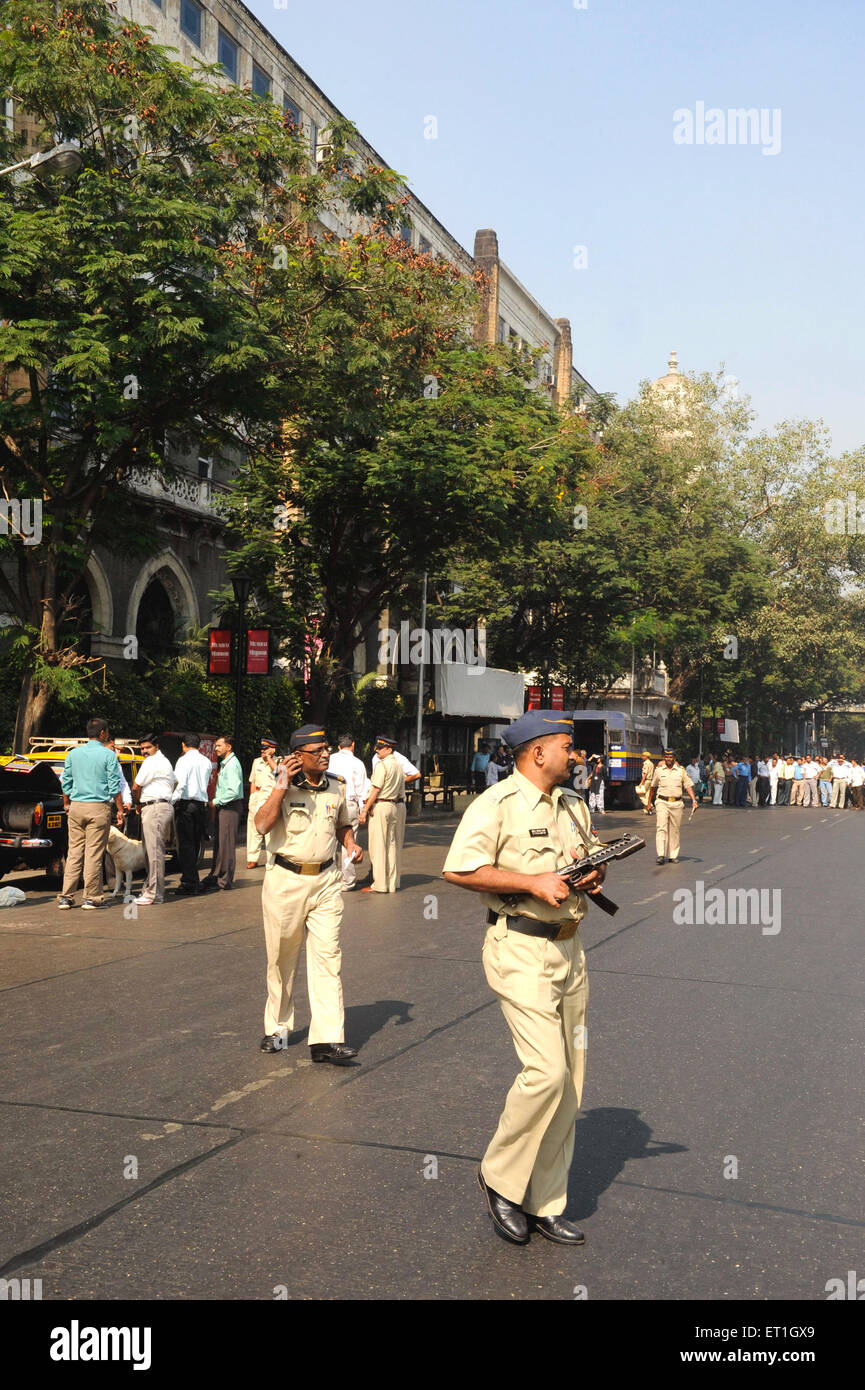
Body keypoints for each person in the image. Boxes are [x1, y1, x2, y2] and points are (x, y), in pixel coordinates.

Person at [442, 710, 608, 1248]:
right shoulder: (497, 804)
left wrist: (593, 873)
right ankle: (500, 1178)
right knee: (547, 1072)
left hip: (569, 950)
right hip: (518, 948)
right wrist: (531, 882)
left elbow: (581, 864)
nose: (573, 752)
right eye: (566, 744)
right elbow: (460, 868)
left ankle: (545, 1201)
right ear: (538, 751)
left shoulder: (575, 805)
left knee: (571, 1084)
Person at [254, 724, 363, 1064]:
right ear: (297, 757)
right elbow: (261, 825)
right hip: (286, 881)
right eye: (317, 751)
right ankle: (279, 1029)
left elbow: (342, 822)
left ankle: (326, 1040)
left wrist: (350, 844)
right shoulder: (278, 786)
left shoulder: (336, 787)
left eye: (327, 748)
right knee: (282, 959)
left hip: (326, 881)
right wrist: (281, 787)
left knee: (329, 958)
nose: (326, 754)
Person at [57, 717, 125, 910]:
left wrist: (67, 804)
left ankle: (66, 897)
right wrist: (120, 810)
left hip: (76, 807)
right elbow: (114, 787)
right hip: (98, 807)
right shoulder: (108, 755)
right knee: (94, 854)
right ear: (102, 733)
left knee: (74, 852)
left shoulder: (73, 754)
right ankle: (91, 897)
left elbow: (66, 782)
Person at [131, 733, 177, 907]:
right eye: (142, 748)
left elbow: (136, 786)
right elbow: (175, 782)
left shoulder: (152, 762)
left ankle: (155, 894)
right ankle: (150, 889)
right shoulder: (165, 762)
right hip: (159, 805)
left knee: (155, 852)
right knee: (151, 851)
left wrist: (137, 803)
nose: (144, 751)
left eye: (148, 747)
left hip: (155, 807)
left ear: (156, 746)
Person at [359, 736, 405, 892]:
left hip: (381, 805)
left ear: (389, 749)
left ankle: (379, 884)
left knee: (378, 846)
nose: (377, 750)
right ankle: (391, 884)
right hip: (393, 805)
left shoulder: (382, 766)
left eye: (381, 748)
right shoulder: (398, 766)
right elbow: (400, 792)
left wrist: (365, 810)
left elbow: (375, 790)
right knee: (391, 846)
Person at [171, 733, 213, 896]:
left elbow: (180, 784)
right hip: (200, 805)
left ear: (183, 745)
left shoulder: (183, 760)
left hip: (186, 804)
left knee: (185, 844)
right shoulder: (206, 761)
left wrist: (171, 802)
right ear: (199, 744)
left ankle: (190, 882)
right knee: (195, 843)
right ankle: (192, 878)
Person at [202, 734, 244, 891]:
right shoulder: (226, 763)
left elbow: (233, 791)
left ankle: (225, 880)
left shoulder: (232, 765)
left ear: (229, 747)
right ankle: (217, 874)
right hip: (224, 807)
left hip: (229, 807)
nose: (216, 748)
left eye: (219, 745)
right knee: (220, 844)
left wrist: (216, 801)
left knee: (226, 844)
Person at [328, 734, 370, 890]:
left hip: (330, 803)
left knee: (329, 841)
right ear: (353, 744)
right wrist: (363, 811)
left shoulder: (330, 759)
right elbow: (362, 789)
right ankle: (347, 881)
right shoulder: (358, 763)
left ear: (338, 746)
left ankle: (330, 879)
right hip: (350, 803)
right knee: (349, 843)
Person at [646, 749, 698, 864]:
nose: (668, 759)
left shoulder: (681, 771)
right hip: (662, 802)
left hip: (677, 803)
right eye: (666, 757)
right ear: (664, 758)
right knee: (661, 828)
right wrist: (649, 803)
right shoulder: (658, 771)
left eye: (671, 757)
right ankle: (661, 854)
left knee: (675, 830)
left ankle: (673, 855)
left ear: (674, 758)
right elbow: (653, 787)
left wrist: (693, 800)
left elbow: (688, 786)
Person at [247, 737, 279, 868]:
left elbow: (280, 774)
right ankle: (252, 858)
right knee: (253, 828)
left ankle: (271, 859)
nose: (262, 751)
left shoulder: (279, 761)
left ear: (273, 749)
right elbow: (252, 781)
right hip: (257, 796)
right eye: (262, 749)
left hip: (270, 797)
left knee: (270, 829)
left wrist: (270, 758)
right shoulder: (257, 762)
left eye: (265, 749)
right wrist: (252, 795)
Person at [636, 751, 655, 815]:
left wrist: (641, 783)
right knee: (647, 795)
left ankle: (650, 805)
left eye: (643, 756)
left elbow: (645, 773)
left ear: (646, 757)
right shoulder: (651, 763)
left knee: (640, 794)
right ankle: (647, 810)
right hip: (651, 780)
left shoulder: (646, 764)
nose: (642, 757)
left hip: (646, 781)